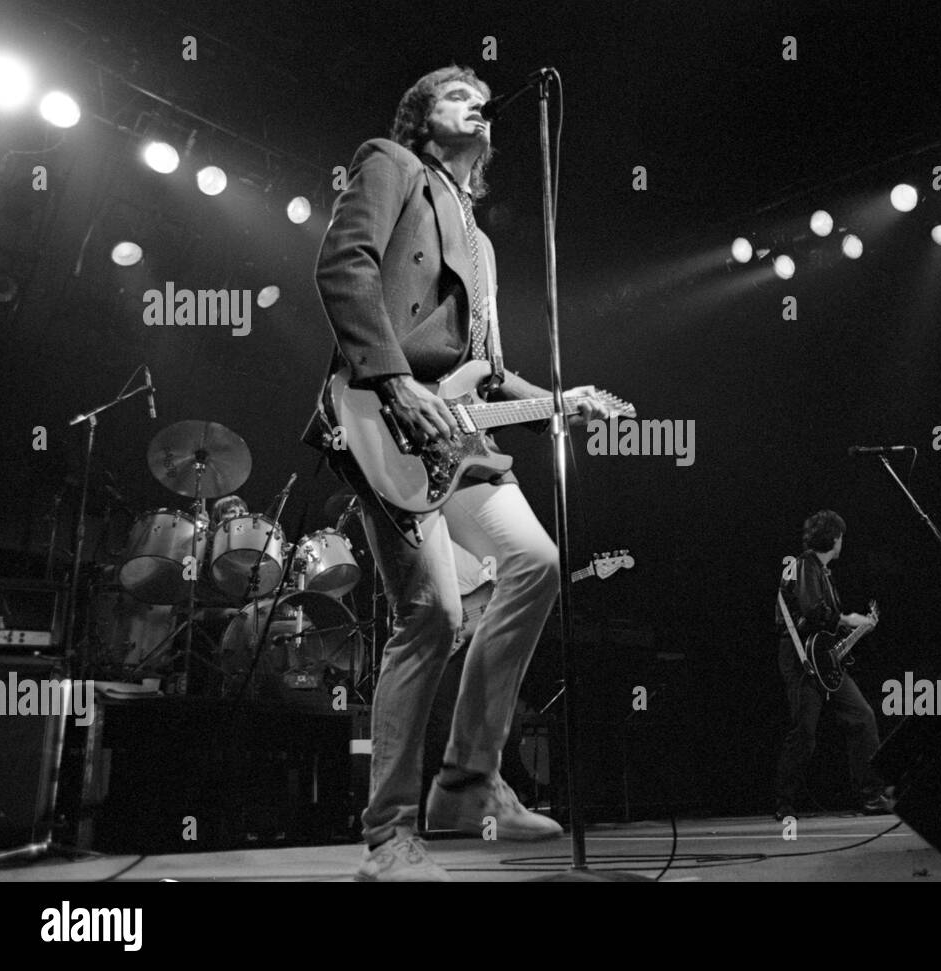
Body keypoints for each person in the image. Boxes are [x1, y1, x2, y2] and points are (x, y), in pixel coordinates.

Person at [305, 65, 613, 881]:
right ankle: (388, 837)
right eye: (453, 94)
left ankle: (468, 782)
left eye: (480, 95)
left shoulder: (477, 237)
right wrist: (393, 380)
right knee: (433, 614)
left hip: (459, 432)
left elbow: (485, 368)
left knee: (537, 563)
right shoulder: (391, 163)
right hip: (387, 411)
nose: (476, 100)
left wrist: (557, 399)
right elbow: (343, 268)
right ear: (421, 119)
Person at [774, 510, 893, 820]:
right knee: (805, 733)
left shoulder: (823, 572)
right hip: (801, 659)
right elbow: (813, 611)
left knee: (862, 715)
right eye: (842, 536)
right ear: (835, 538)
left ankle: (870, 793)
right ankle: (783, 802)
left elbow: (823, 622)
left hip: (825, 658)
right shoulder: (804, 565)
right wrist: (847, 619)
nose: (843, 542)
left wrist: (858, 628)